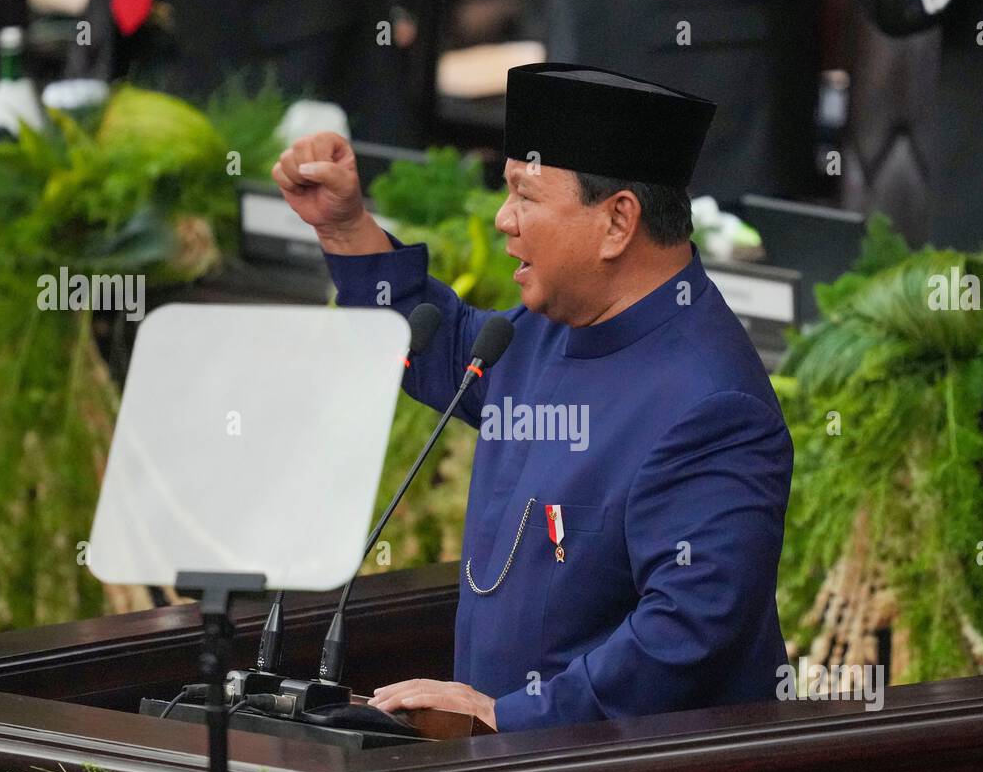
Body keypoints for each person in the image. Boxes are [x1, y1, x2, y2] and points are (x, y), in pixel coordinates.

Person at [272, 63, 794, 732]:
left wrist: (508, 717)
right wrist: (345, 228)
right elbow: (440, 346)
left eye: (525, 194)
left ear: (617, 222)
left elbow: (687, 629)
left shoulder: (713, 405)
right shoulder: (549, 327)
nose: (502, 218)